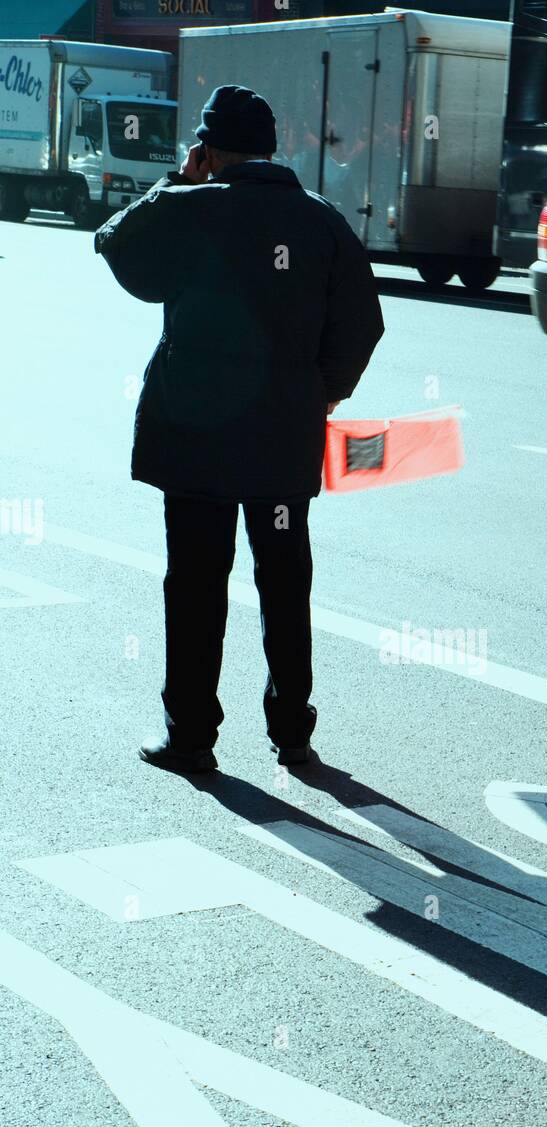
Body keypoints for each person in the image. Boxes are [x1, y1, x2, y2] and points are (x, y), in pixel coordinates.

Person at [95, 84, 384, 773]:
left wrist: (174, 182)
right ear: (272, 149)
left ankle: (191, 737)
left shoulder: (189, 207)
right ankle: (293, 732)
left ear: (209, 150)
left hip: (195, 443)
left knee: (196, 584)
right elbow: (364, 325)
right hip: (282, 445)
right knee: (284, 580)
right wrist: (320, 392)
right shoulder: (321, 222)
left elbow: (116, 247)